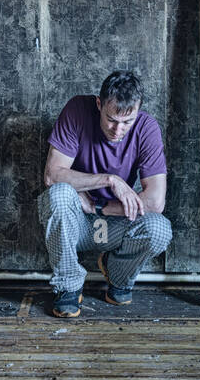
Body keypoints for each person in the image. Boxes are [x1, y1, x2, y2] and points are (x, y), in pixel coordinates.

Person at [38, 70, 171, 318]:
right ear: (99, 104)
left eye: (127, 122)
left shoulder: (147, 128)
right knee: (59, 194)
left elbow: (155, 201)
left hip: (115, 222)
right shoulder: (77, 109)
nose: (118, 130)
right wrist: (110, 180)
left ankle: (117, 273)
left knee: (159, 228)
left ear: (138, 110)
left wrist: (101, 208)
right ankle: (67, 288)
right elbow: (52, 175)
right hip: (74, 220)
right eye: (111, 119)